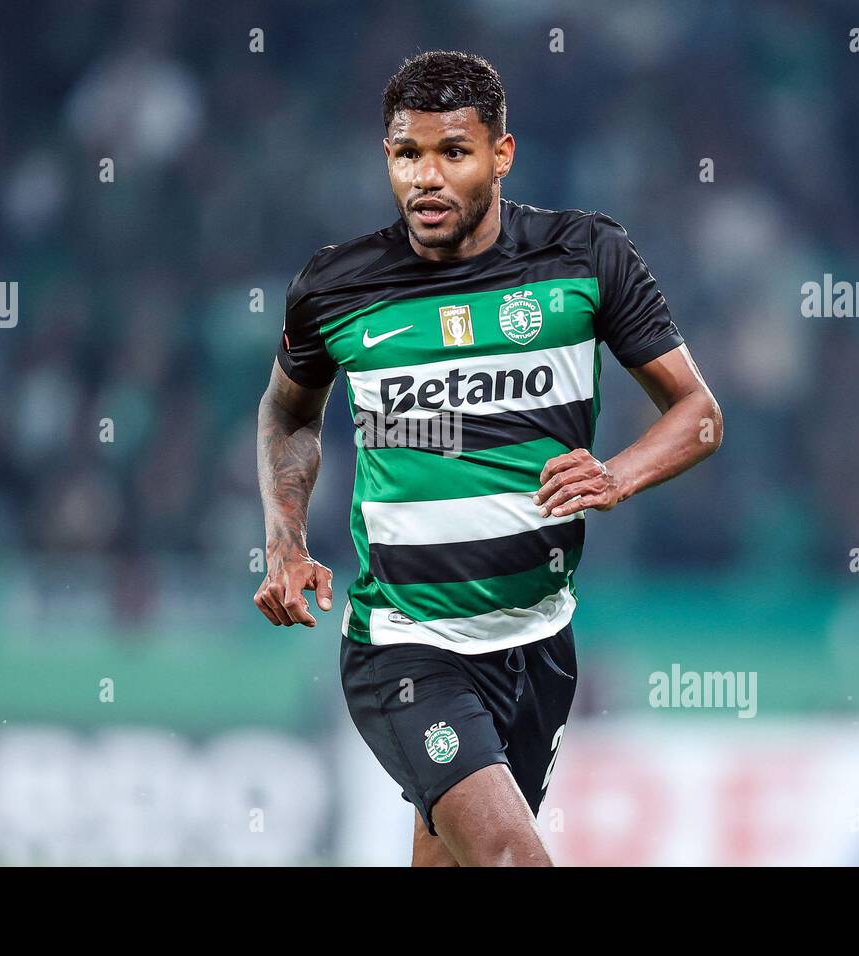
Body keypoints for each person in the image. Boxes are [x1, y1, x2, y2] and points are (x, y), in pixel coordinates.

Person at [254, 50, 722, 866]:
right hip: (405, 644)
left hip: (539, 644)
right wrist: (286, 538)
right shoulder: (336, 287)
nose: (425, 178)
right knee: (513, 859)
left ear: (501, 155)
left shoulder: (586, 258)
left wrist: (618, 474)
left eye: (453, 153)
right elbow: (289, 410)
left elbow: (698, 414)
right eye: (408, 154)